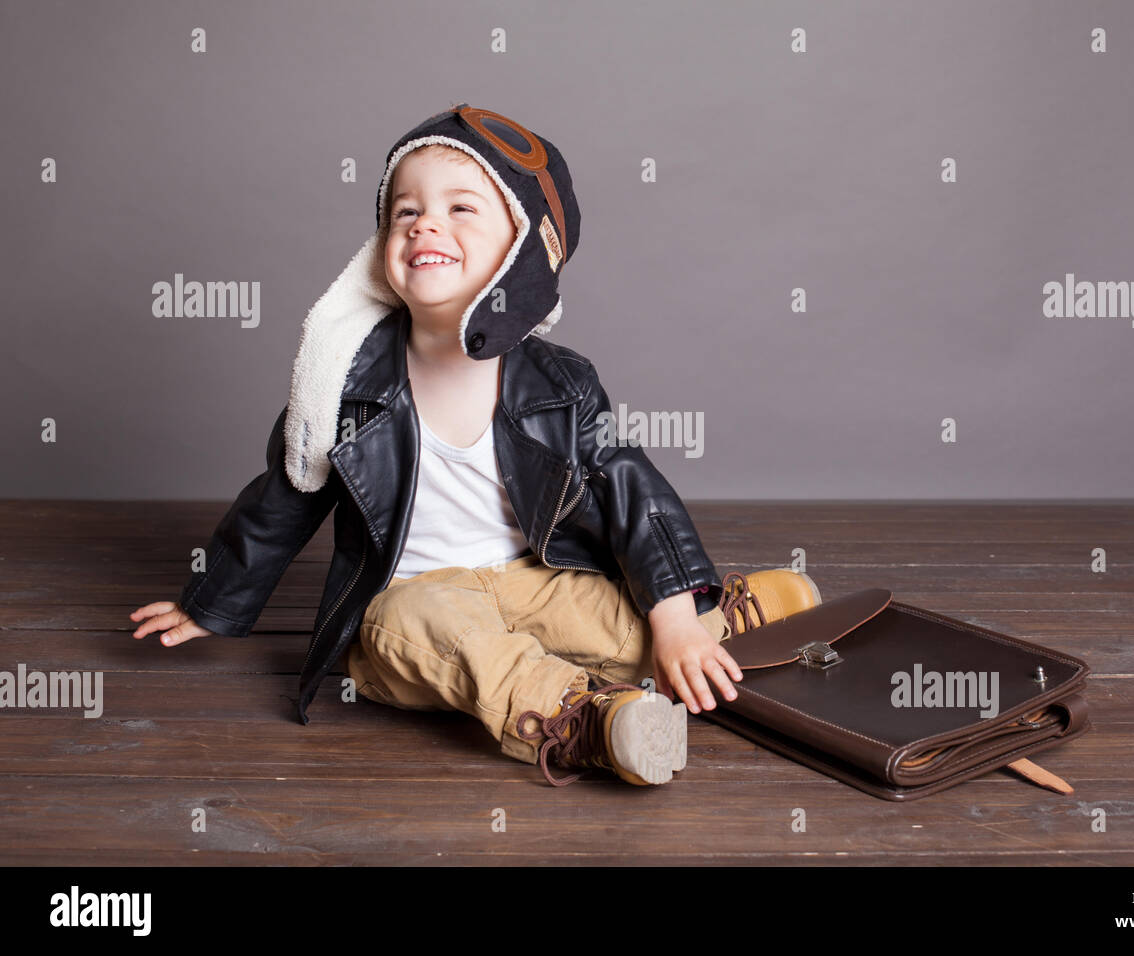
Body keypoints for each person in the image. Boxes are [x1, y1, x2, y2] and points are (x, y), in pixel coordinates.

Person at [129, 104, 821, 787]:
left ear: (521, 254)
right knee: (433, 632)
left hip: (529, 578)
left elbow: (628, 487)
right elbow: (286, 493)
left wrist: (670, 615)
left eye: (462, 209)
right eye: (405, 211)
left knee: (613, 615)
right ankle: (578, 719)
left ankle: (706, 624)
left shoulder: (561, 384)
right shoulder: (346, 382)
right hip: (407, 599)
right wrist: (212, 600)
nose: (426, 222)